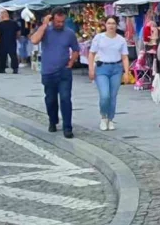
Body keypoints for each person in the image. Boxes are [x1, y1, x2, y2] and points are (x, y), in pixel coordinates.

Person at [30, 9, 80, 138]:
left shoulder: (69, 33)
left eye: (62, 21)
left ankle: (67, 127)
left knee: (65, 98)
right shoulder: (45, 31)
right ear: (52, 19)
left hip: (64, 72)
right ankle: (53, 120)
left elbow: (75, 49)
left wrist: (71, 62)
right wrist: (44, 25)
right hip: (48, 72)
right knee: (50, 100)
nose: (60, 24)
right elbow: (34, 40)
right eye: (57, 21)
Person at [89, 16, 130, 131]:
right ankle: (103, 116)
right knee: (104, 95)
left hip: (116, 68)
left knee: (113, 96)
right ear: (105, 25)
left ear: (116, 25)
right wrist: (91, 69)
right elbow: (91, 54)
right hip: (102, 68)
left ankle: (110, 119)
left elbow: (124, 57)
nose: (111, 26)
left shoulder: (121, 40)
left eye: (113, 23)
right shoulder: (99, 38)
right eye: (109, 23)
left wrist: (126, 72)